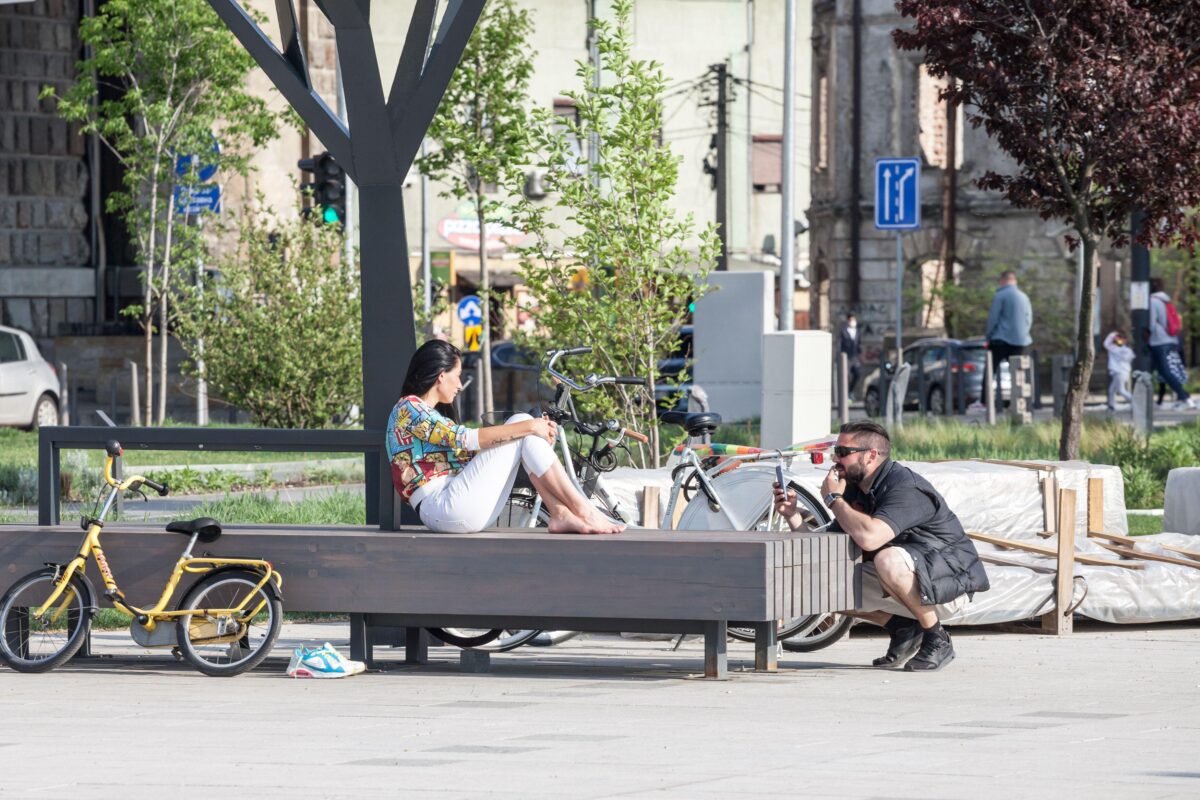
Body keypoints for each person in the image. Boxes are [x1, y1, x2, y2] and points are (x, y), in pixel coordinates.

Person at [772, 420, 989, 672]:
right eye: (835, 451)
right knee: (814, 579)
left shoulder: (905, 488)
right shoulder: (854, 490)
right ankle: (902, 627)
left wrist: (833, 498)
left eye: (842, 452)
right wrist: (793, 516)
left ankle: (936, 637)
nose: (835, 459)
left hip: (947, 585)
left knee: (887, 559)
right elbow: (823, 551)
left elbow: (870, 538)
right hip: (906, 581)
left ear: (871, 455)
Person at [387, 340, 624, 535]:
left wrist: (534, 434)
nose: (460, 385)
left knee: (526, 432)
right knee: (523, 423)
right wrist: (530, 426)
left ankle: (561, 513)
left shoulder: (430, 415)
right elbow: (465, 439)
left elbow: (473, 453)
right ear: (441, 375)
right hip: (442, 506)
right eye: (457, 376)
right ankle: (585, 511)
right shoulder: (408, 407)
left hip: (456, 506)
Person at [985, 270, 1033, 407]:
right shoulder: (1024, 296)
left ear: (1003, 280)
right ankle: (1021, 403)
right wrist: (1023, 333)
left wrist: (988, 336)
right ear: (1015, 280)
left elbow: (993, 319)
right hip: (1021, 341)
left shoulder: (1000, 296)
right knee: (1019, 374)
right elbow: (1028, 319)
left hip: (1000, 340)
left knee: (990, 371)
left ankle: (984, 402)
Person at [1148, 278, 1196, 410]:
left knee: (1164, 371)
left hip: (1159, 341)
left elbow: (1151, 324)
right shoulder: (1165, 301)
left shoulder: (1153, 301)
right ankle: (1183, 397)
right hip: (1170, 340)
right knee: (1152, 371)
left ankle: (1184, 397)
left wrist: (1144, 334)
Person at [1102, 330, 1134, 411]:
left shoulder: (1117, 349)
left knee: (1121, 390)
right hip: (1121, 372)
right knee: (1112, 390)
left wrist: (1113, 334)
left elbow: (1106, 343)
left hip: (1120, 372)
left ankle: (1136, 402)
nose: (1117, 341)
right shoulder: (1124, 349)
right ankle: (1111, 406)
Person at [839, 313, 862, 401]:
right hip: (846, 357)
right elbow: (840, 344)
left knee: (857, 374)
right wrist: (841, 356)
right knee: (846, 376)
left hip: (855, 357)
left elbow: (859, 344)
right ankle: (845, 395)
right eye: (851, 320)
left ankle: (850, 390)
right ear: (848, 321)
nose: (853, 322)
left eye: (854, 320)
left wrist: (860, 355)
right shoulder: (843, 331)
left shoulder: (858, 331)